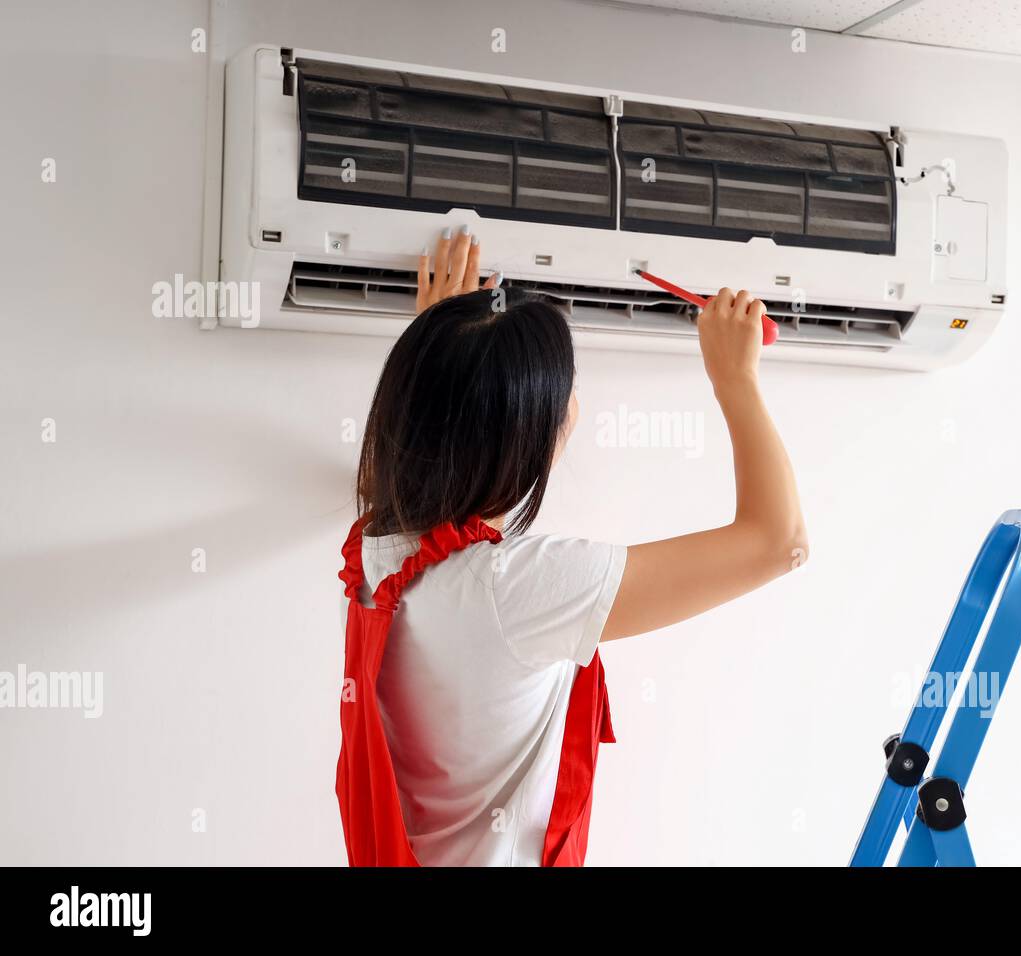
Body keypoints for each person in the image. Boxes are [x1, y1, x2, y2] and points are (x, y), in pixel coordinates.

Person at [336, 226, 807, 866]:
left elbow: (407, 458)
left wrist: (446, 349)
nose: (574, 406)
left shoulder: (378, 552)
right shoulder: (514, 587)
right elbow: (778, 544)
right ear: (524, 439)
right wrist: (736, 377)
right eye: (565, 395)